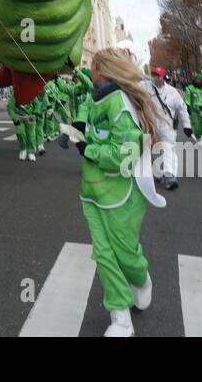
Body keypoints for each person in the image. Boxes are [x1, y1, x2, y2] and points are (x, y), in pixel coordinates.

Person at [59, 48, 166, 337]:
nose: (89, 71)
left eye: (92, 67)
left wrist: (87, 148)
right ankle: (120, 317)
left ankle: (141, 279)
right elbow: (85, 109)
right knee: (103, 255)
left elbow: (125, 154)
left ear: (102, 71)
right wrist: (76, 128)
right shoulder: (96, 96)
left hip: (122, 194)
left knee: (125, 253)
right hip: (91, 192)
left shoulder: (121, 102)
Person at [144, 68, 191, 190]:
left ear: (163, 77)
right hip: (150, 125)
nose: (156, 78)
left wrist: (187, 125)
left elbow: (182, 108)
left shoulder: (172, 92)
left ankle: (169, 176)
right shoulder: (145, 86)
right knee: (153, 150)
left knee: (168, 148)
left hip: (167, 126)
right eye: (154, 75)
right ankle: (158, 172)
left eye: (158, 76)